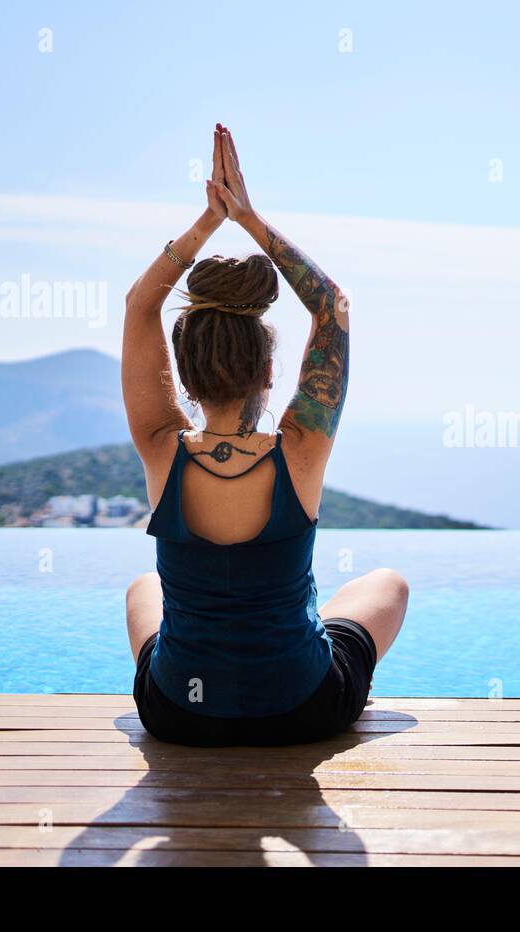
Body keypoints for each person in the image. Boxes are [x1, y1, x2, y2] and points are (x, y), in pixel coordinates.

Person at [120, 124, 408, 745]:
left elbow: (139, 306)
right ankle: (303, 635)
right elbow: (331, 304)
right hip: (300, 708)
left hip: (181, 713)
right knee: (387, 585)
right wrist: (249, 219)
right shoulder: (302, 450)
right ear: (270, 370)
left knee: (144, 589)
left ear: (187, 375)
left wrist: (207, 223)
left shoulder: (159, 446)